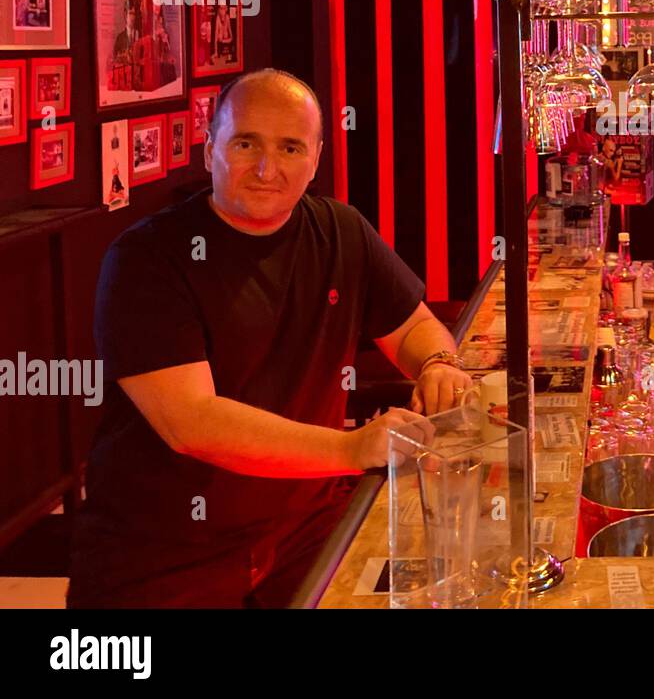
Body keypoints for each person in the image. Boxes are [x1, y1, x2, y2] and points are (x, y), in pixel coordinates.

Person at [67, 70, 471, 608]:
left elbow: (414, 325)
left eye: (289, 147)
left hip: (303, 531)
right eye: (245, 143)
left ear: (316, 159)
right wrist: (352, 449)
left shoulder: (341, 231)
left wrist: (438, 362)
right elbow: (192, 423)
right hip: (165, 552)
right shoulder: (146, 259)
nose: (266, 168)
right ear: (210, 146)